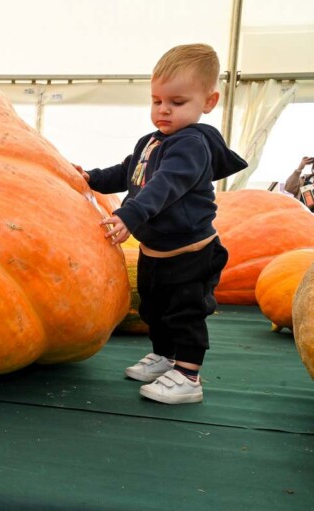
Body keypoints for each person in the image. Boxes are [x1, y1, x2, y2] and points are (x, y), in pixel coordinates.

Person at [74, 44, 247, 404]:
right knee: (154, 310)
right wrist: (90, 177)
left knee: (185, 314)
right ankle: (166, 357)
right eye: (157, 101)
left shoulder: (193, 145)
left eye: (177, 102)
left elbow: (165, 185)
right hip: (156, 251)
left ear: (209, 102)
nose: (163, 110)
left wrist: (130, 213)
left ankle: (188, 376)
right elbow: (127, 172)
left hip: (190, 254)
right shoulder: (151, 141)